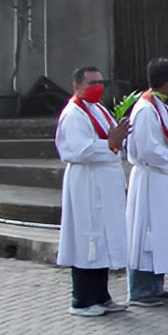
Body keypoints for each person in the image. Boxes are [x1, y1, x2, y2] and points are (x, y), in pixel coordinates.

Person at [55, 65, 130, 316]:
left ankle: (101, 296)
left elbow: (114, 141)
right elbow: (81, 149)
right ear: (77, 86)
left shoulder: (98, 109)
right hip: (86, 183)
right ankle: (83, 300)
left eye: (101, 83)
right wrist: (111, 143)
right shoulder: (73, 114)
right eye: (92, 84)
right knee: (88, 238)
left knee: (104, 237)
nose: (98, 88)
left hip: (104, 182)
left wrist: (118, 140)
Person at [124, 57, 168, 306]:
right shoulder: (146, 109)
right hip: (149, 176)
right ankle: (141, 289)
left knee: (160, 232)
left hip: (162, 177)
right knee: (145, 232)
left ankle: (156, 285)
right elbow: (147, 149)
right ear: (166, 83)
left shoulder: (159, 106)